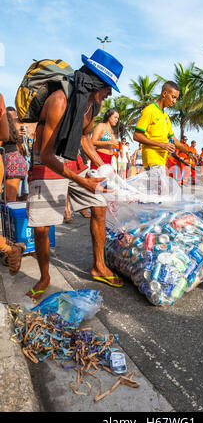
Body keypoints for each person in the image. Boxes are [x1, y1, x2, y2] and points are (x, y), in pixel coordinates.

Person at [25, 48, 124, 301]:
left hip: (70, 157)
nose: (109, 93)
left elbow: (82, 138)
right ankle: (45, 277)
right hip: (46, 159)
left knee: (99, 205)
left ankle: (99, 266)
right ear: (93, 82)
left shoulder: (94, 103)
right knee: (42, 229)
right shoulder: (59, 101)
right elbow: (48, 155)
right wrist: (82, 181)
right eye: (107, 86)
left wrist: (103, 166)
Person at [133, 81, 196, 177]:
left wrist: (188, 152)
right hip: (152, 159)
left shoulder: (165, 116)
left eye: (176, 99)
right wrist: (161, 144)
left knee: (157, 191)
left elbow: (173, 138)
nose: (174, 101)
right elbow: (137, 135)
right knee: (159, 190)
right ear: (164, 93)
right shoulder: (149, 110)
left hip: (161, 160)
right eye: (173, 97)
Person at [0, 94, 25, 274]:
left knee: (10, 205)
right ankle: (11, 247)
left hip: (11, 162)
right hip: (10, 161)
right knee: (10, 204)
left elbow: (4, 135)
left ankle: (12, 247)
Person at [3, 108, 28, 201]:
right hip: (12, 162)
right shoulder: (11, 132)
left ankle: (16, 215)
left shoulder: (5, 132)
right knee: (7, 198)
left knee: (10, 199)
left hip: (13, 164)